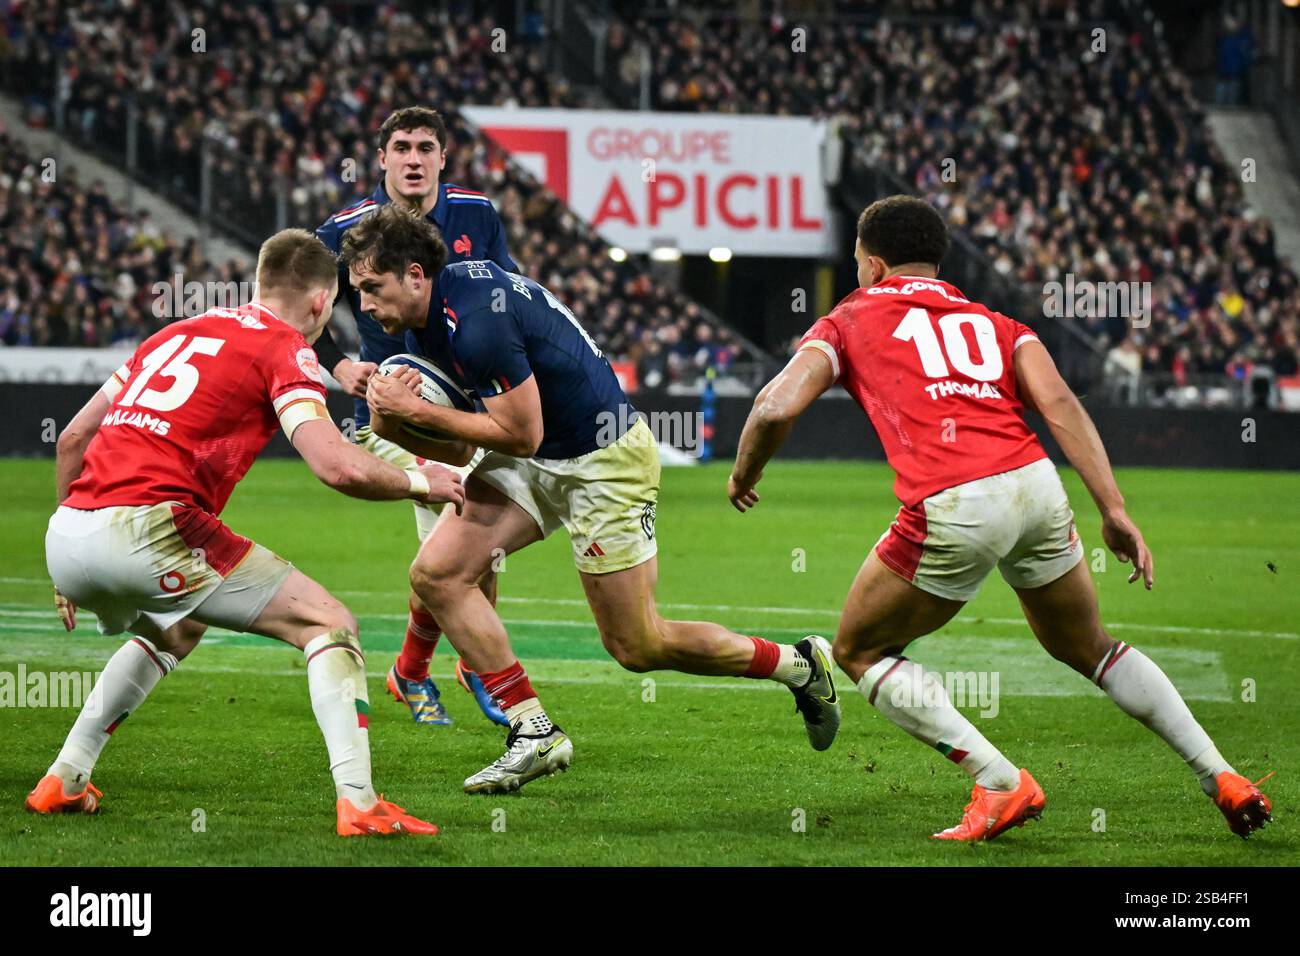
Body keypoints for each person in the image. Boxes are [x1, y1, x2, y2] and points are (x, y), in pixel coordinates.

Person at [729, 195, 1274, 842]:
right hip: (1036, 485)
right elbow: (1061, 403)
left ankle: (998, 780)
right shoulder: (996, 323)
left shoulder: (848, 317)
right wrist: (1113, 508)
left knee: (858, 649)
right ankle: (1222, 776)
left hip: (955, 500)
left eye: (855, 263)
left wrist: (746, 473)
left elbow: (773, 407)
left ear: (872, 266)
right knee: (1091, 649)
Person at [347, 205, 841, 794]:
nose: (366, 305)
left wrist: (417, 412)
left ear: (415, 275)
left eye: (373, 288)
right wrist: (391, 422)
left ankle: (797, 665)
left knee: (637, 645)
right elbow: (461, 451)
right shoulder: (435, 314)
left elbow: (518, 431)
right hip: (537, 456)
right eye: (357, 291)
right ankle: (534, 731)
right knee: (438, 573)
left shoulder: (476, 322)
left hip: (602, 461)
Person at [28, 229, 465, 837]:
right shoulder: (286, 349)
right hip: (151, 527)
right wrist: (424, 481)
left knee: (179, 624)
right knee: (329, 622)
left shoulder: (174, 333)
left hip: (69, 534)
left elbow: (74, 438)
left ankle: (65, 779)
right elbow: (335, 465)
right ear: (320, 304)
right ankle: (360, 803)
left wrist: (65, 556)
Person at [313, 106, 517, 727]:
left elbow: (506, 292)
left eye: (425, 147)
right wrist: (338, 365)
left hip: (468, 403)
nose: (413, 158)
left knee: (473, 543)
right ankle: (478, 669)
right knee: (458, 530)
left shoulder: (477, 213)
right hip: (394, 405)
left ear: (442, 158)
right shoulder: (347, 228)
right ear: (381, 158)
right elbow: (294, 306)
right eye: (400, 146)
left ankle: (412, 669)